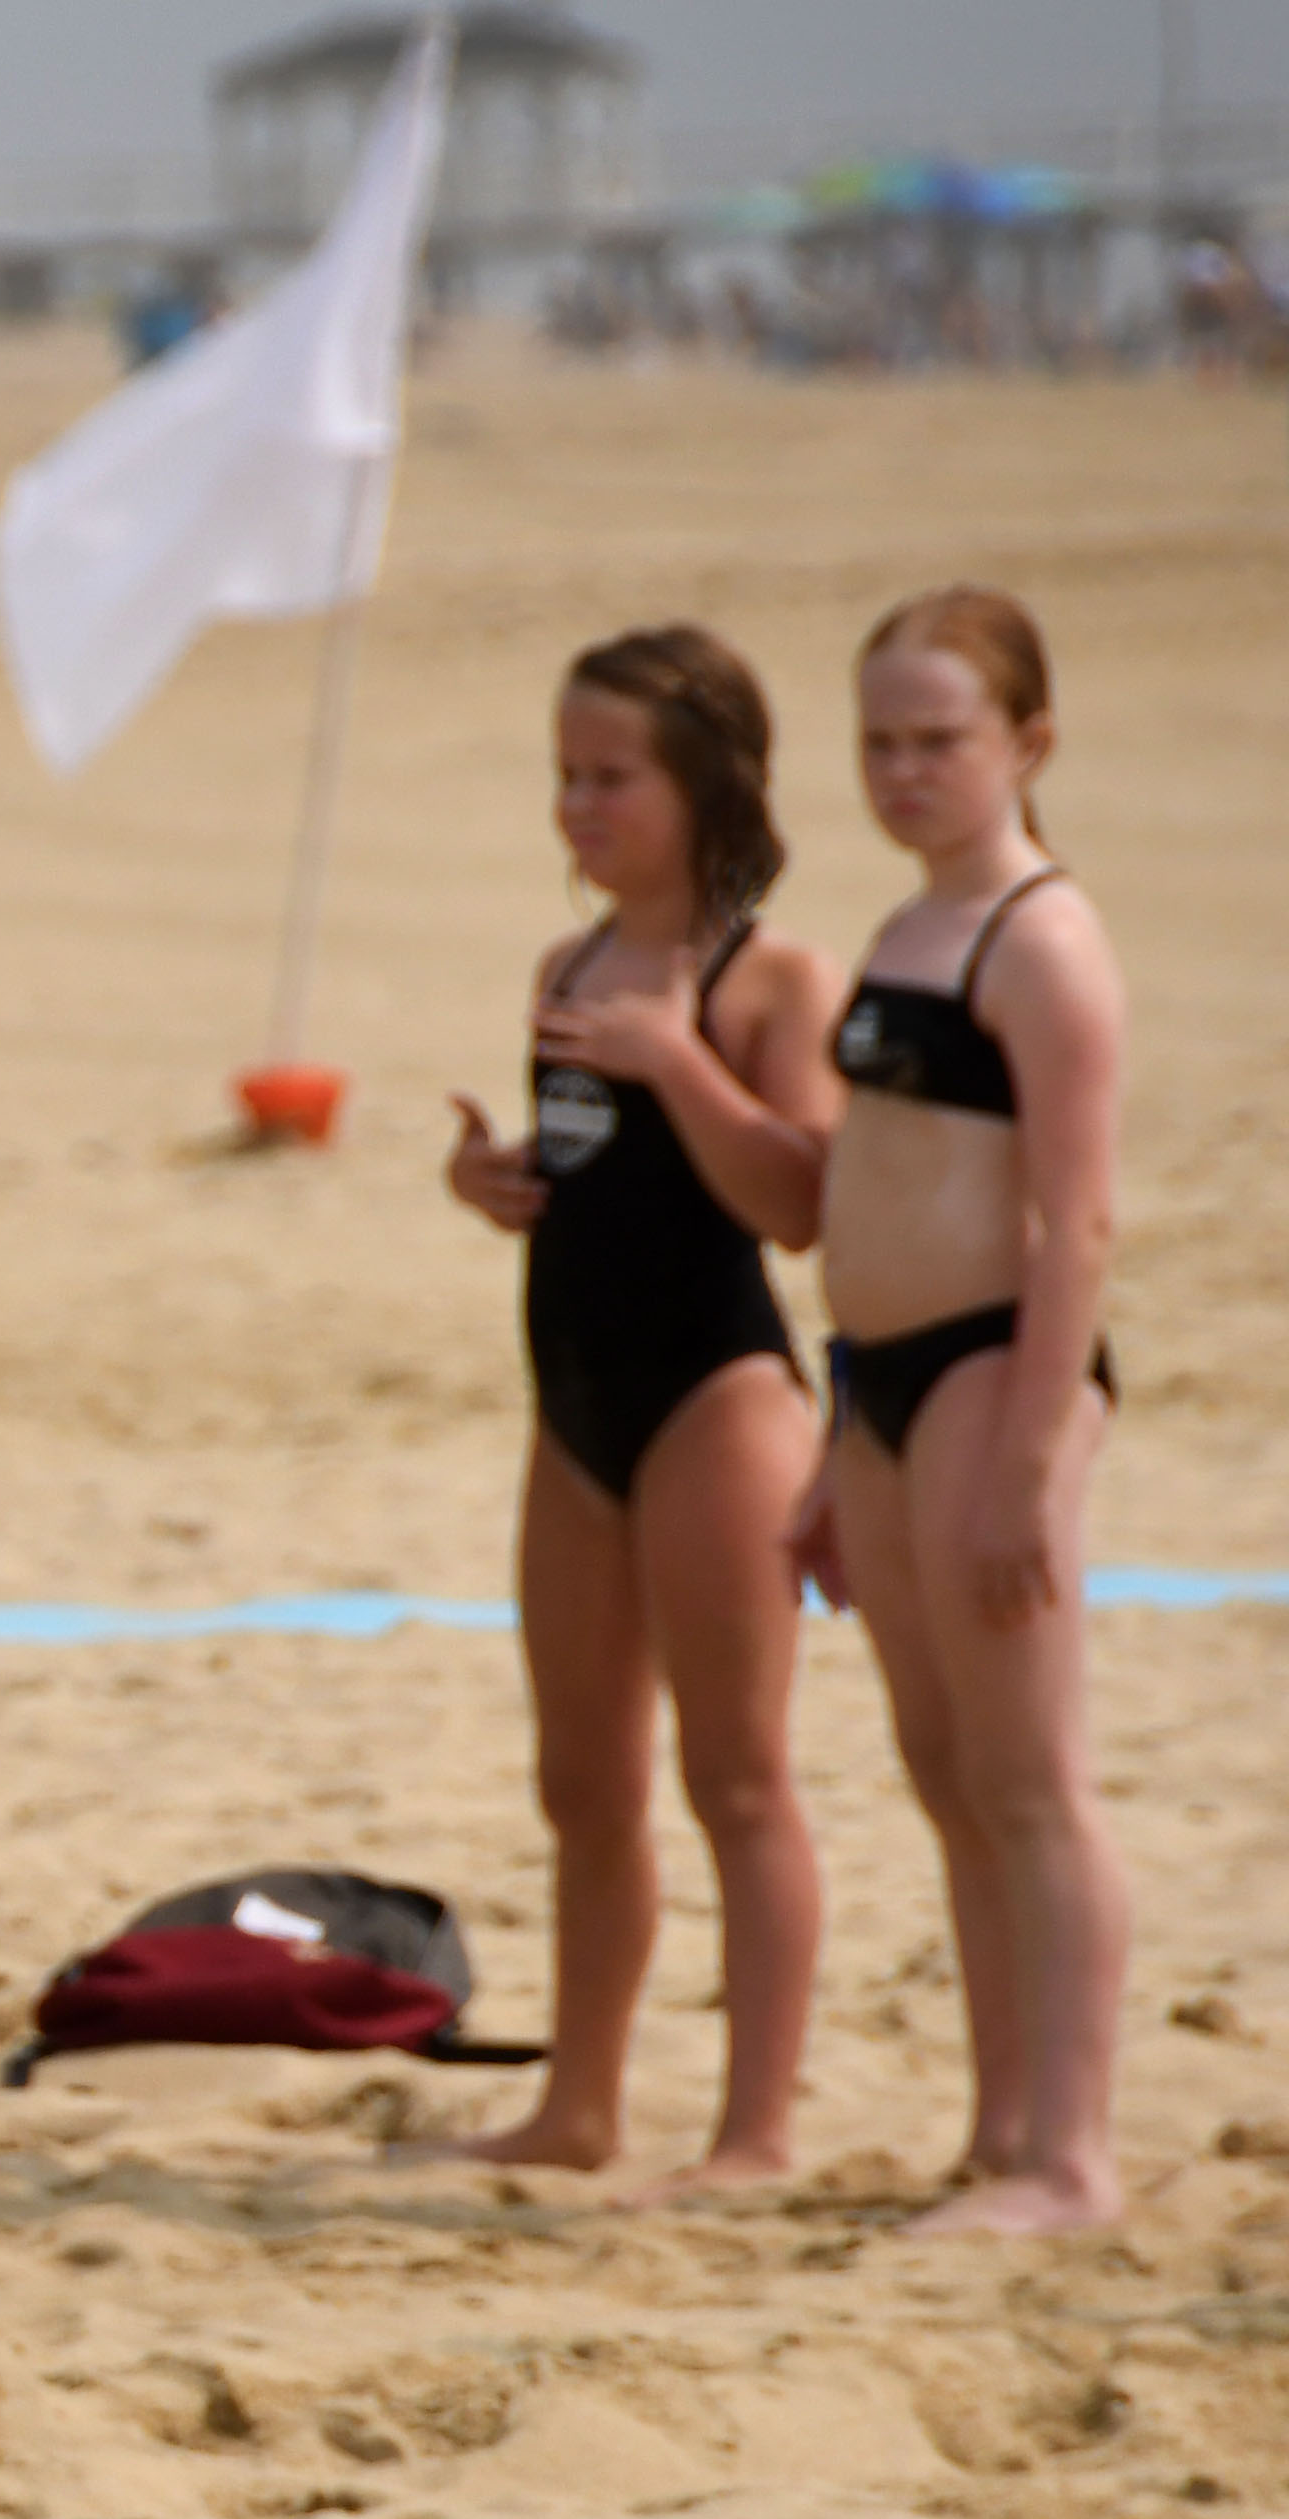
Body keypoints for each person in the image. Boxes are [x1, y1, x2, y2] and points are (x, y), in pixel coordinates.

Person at [419, 628, 842, 2187]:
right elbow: (594, 1177)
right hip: (572, 1397)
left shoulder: (769, 975)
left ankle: (756, 2126)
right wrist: (498, 1183)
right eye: (565, 776)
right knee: (581, 1781)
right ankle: (580, 2102)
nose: (578, 806)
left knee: (736, 1772)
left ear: (705, 785)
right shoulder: (570, 967)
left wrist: (682, 1061)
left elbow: (796, 1201)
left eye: (612, 777)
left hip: (717, 1396)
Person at [807, 588, 1128, 2233]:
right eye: (879, 739)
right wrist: (826, 1441)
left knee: (1027, 1773)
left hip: (998, 1369)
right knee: (941, 1763)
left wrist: (1022, 1458)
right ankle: (1001, 2126)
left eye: (938, 739)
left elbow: (1071, 1220)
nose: (903, 769)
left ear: (1026, 743)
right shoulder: (897, 931)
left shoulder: (1040, 939)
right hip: (878, 1380)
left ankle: (1071, 2156)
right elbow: (866, 1182)